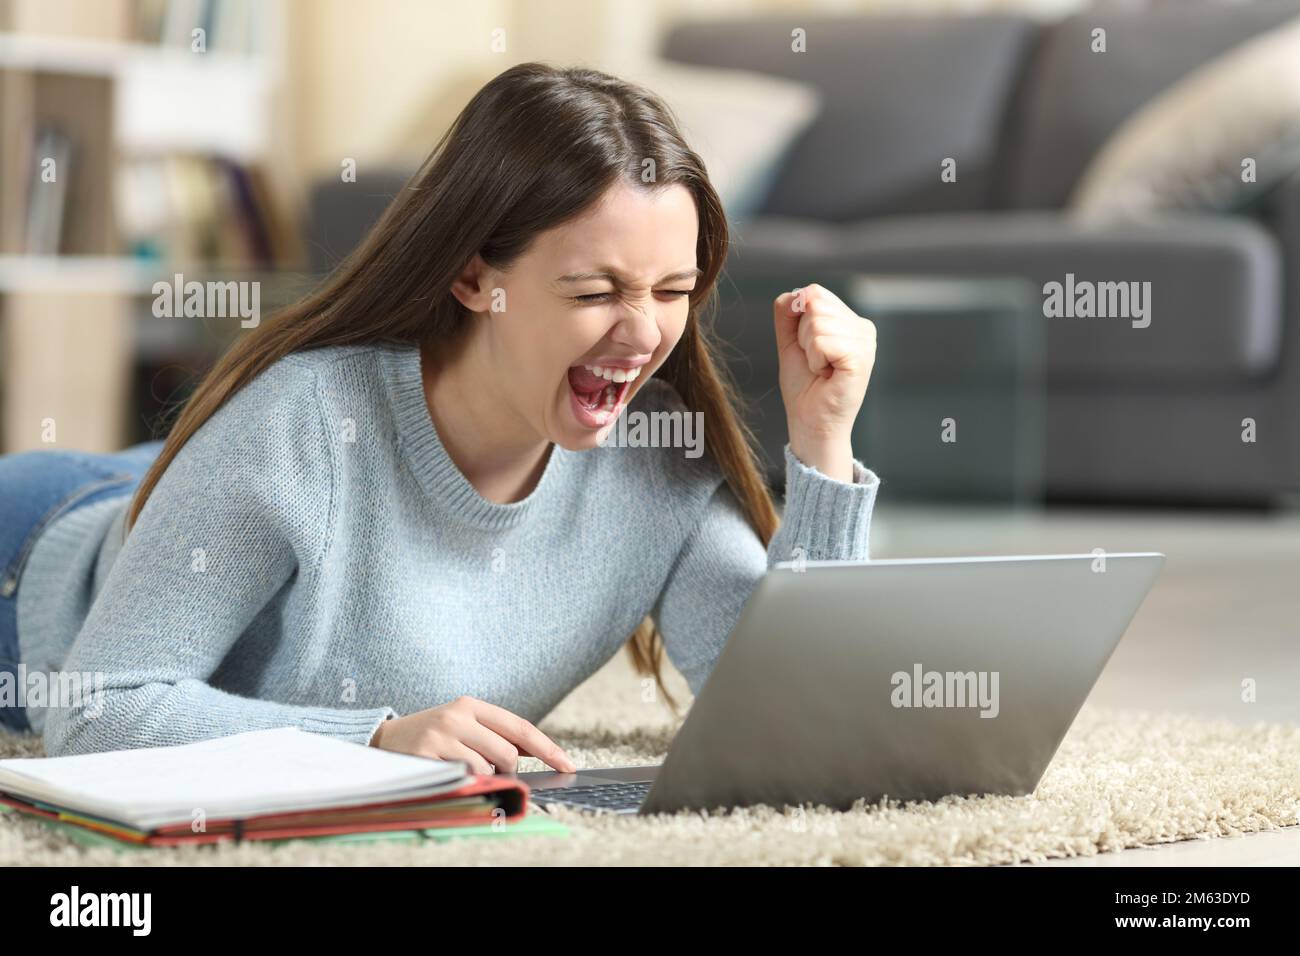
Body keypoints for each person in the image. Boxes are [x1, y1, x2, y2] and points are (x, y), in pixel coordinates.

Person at [0, 63, 880, 774]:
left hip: (177, 490)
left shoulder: (658, 456)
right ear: (473, 280)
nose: (645, 331)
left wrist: (824, 447)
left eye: (675, 290)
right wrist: (372, 743)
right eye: (595, 291)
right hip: (32, 555)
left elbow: (793, 723)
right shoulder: (301, 425)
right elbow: (100, 709)